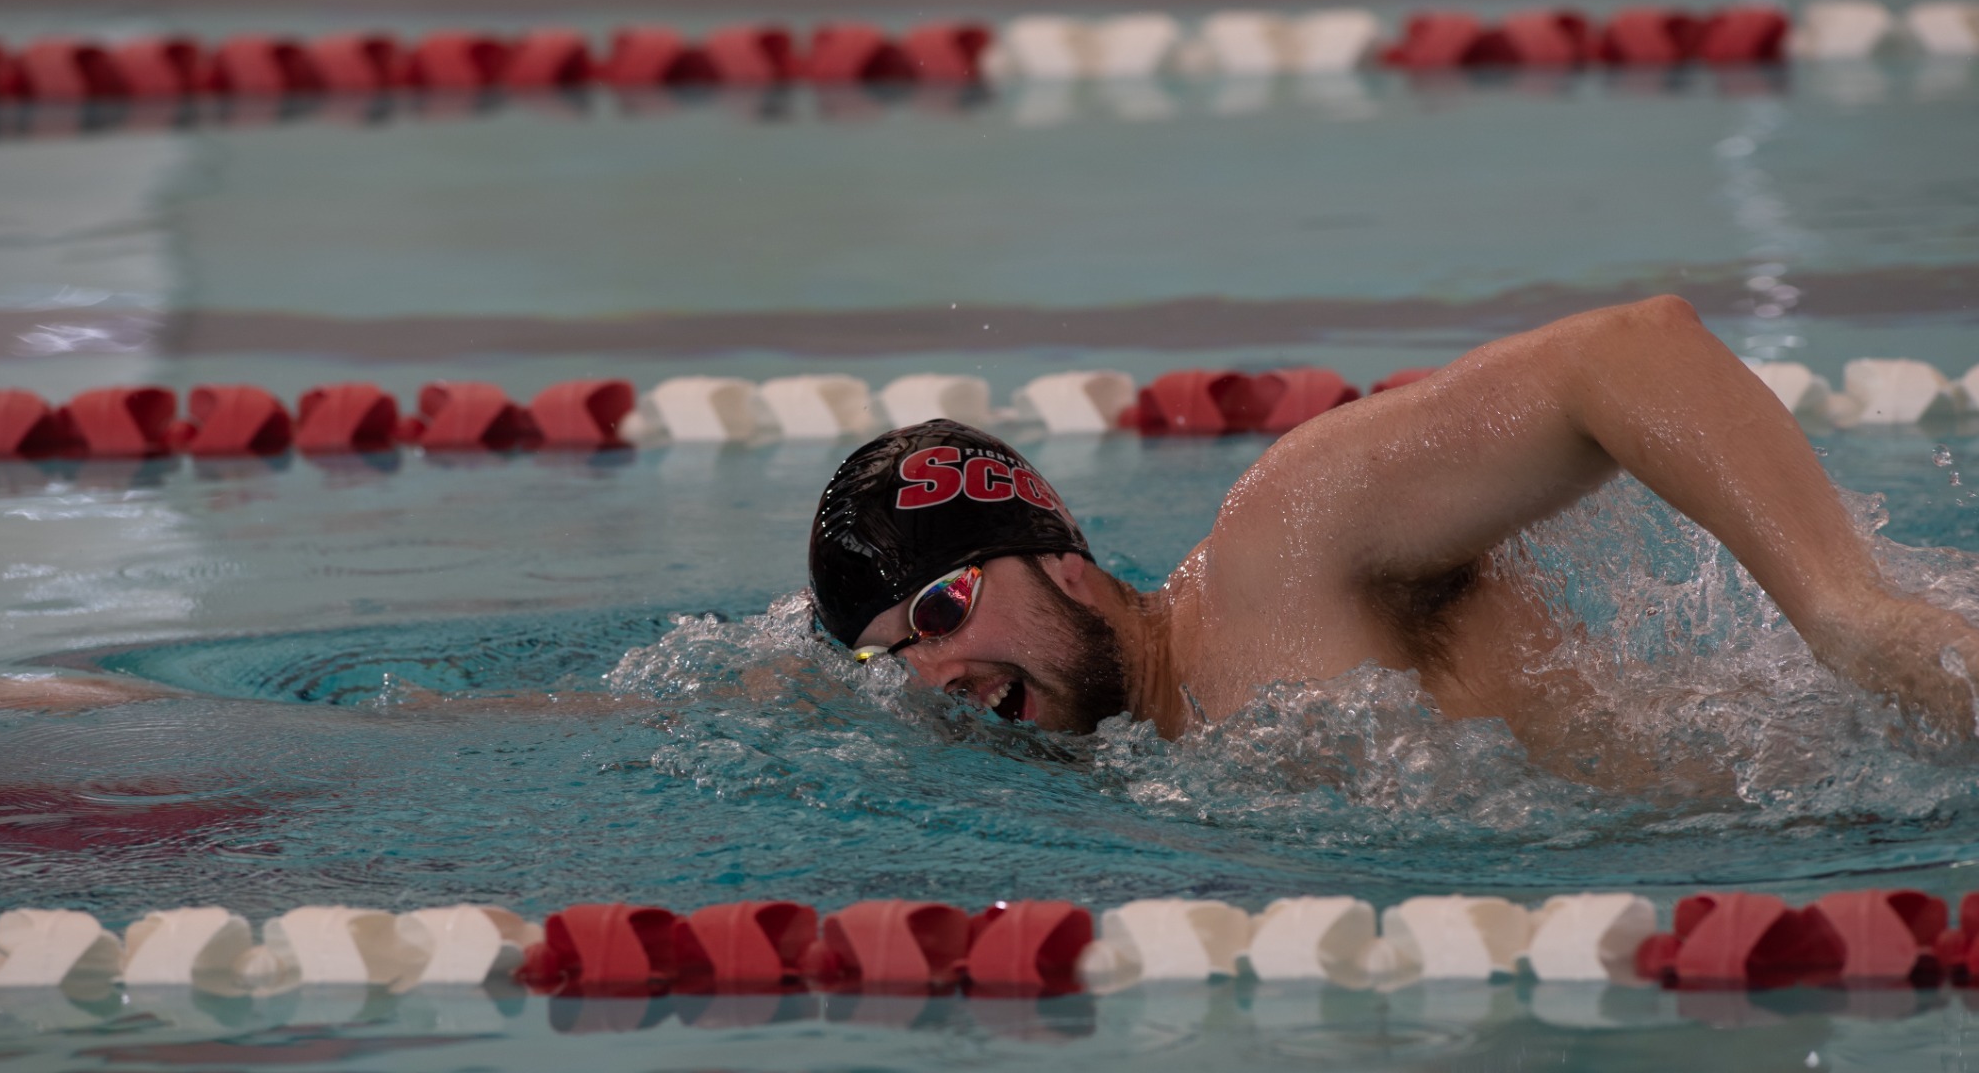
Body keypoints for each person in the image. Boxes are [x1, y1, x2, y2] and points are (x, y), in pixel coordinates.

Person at [810, 297, 1979, 772]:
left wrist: (1845, 611)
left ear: (1063, 562)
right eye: (892, 656)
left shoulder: (1281, 552)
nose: (936, 676)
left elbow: (1622, 353)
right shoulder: (1146, 757)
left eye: (945, 609)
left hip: (1899, 748)